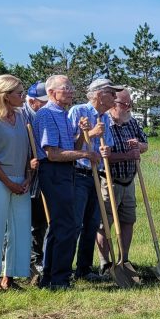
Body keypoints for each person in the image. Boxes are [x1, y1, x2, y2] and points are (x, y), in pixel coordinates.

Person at [33, 75, 100, 290]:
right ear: (52, 92)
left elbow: (72, 144)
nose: (71, 91)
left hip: (66, 171)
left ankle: (52, 276)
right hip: (54, 172)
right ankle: (58, 277)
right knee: (66, 225)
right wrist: (85, 154)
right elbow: (52, 153)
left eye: (71, 87)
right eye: (66, 88)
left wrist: (83, 133)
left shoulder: (63, 115)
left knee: (64, 224)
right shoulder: (47, 114)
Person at [0, 75, 36, 292]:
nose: (23, 97)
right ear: (5, 95)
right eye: (19, 93)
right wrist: (7, 182)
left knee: (20, 228)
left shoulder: (22, 116)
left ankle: (9, 276)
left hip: (21, 179)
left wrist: (28, 175)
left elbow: (28, 150)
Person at [67, 79, 120, 281]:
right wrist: (89, 133)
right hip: (79, 174)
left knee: (92, 223)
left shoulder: (105, 118)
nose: (115, 98)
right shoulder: (78, 111)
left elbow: (108, 145)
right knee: (75, 224)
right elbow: (70, 144)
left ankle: (84, 269)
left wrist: (106, 150)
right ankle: (65, 269)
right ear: (99, 95)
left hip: (96, 175)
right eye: (111, 94)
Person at [98, 88, 148, 267]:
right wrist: (128, 155)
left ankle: (123, 260)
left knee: (128, 220)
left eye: (130, 104)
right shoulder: (105, 125)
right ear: (114, 104)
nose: (128, 108)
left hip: (129, 180)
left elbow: (145, 145)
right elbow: (103, 156)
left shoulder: (132, 123)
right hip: (109, 181)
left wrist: (138, 146)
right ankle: (105, 262)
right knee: (105, 224)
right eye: (125, 104)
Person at [24, 80, 49, 275]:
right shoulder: (23, 115)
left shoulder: (43, 114)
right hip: (24, 176)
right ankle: (28, 261)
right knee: (29, 222)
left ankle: (38, 259)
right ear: (32, 102)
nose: (46, 105)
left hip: (42, 175)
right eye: (43, 102)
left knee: (41, 220)